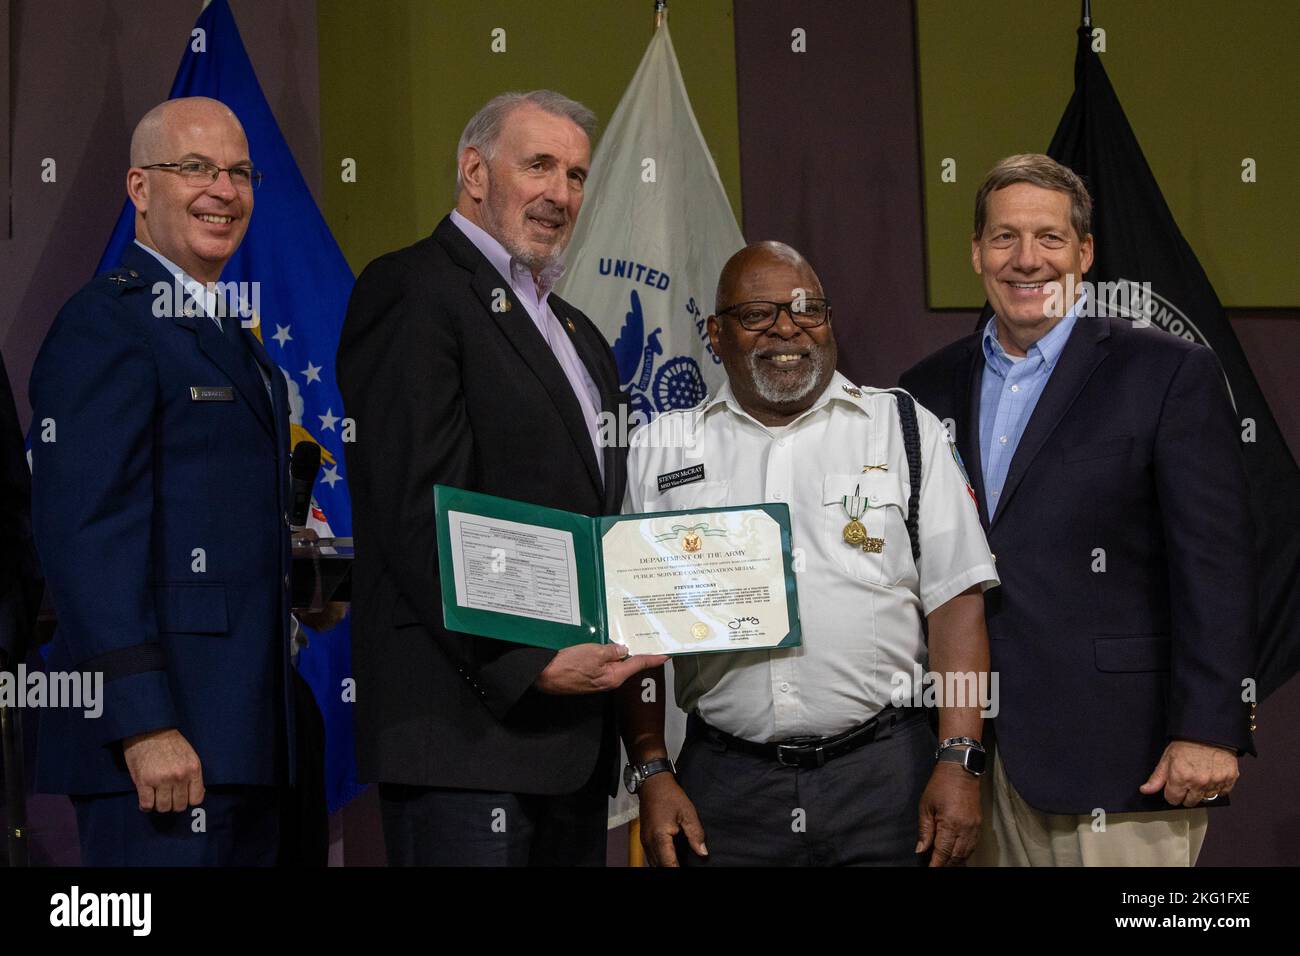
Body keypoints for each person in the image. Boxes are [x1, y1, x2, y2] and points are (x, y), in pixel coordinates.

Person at [900, 153, 1256, 866]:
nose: (1026, 260)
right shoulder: (924, 388)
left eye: (1050, 238)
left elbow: (1215, 563)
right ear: (975, 252)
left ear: (1085, 253)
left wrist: (1211, 727)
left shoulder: (1167, 372)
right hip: (966, 760)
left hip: (1122, 755)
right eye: (1004, 238)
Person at [337, 90, 662, 866]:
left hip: (571, 735)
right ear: (475, 171)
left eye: (578, 175)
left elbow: (592, 521)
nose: (561, 193)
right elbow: (421, 505)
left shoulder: (578, 332)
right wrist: (527, 663)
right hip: (463, 729)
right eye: (540, 165)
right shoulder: (414, 290)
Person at [622, 241, 999, 866]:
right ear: (716, 334)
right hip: (725, 789)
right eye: (757, 315)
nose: (787, 328)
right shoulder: (662, 448)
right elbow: (632, 633)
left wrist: (960, 762)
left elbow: (957, 607)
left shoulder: (904, 429)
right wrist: (652, 770)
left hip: (887, 781)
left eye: (807, 309)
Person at [29, 97, 296, 865]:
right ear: (140, 189)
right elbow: (86, 537)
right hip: (160, 747)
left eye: (240, 172)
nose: (224, 189)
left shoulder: (226, 334)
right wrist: (143, 722)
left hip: (243, 737)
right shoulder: (106, 324)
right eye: (196, 168)